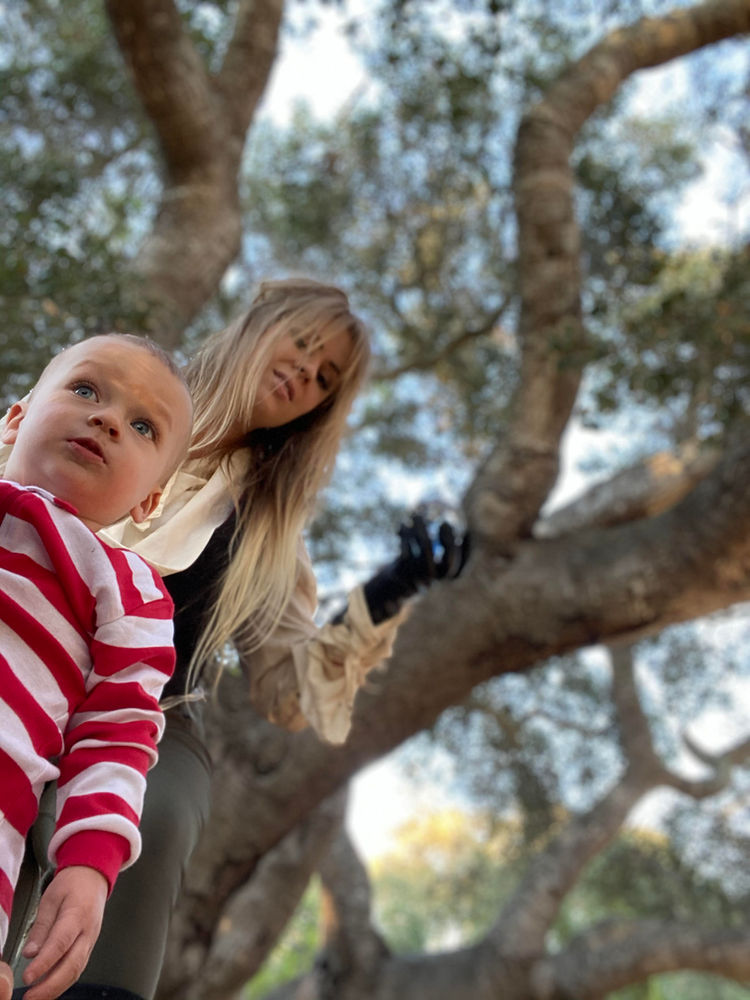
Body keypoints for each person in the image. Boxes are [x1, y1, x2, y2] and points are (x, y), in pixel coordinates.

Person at [5, 278, 466, 1000]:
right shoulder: (114, 396)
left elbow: (288, 691)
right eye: (302, 344)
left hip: (149, 713)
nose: (304, 373)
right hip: (22, 661)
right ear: (258, 326)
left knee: (149, 821)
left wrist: (388, 590)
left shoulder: (269, 532)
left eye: (325, 377)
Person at [0, 334, 194, 1000]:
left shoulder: (129, 590)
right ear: (16, 418)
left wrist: (88, 865)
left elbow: (118, 733)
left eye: (143, 427)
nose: (108, 419)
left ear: (149, 502)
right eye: (85, 390)